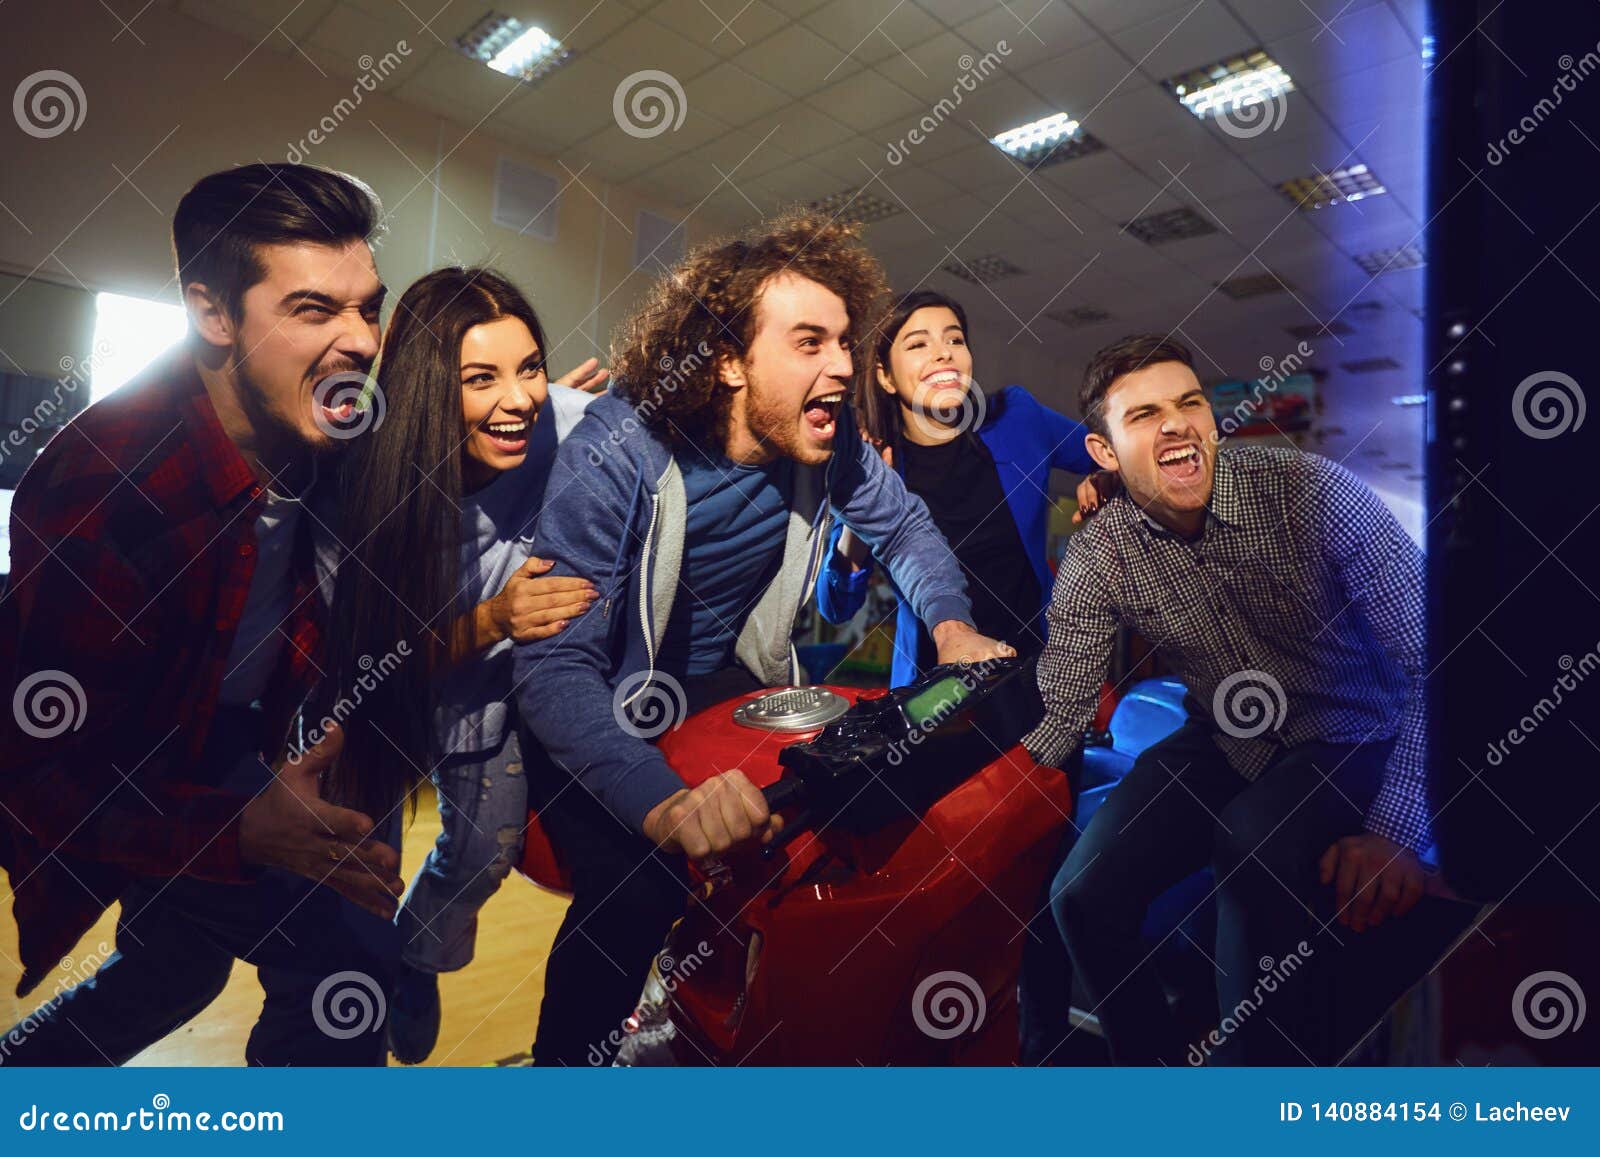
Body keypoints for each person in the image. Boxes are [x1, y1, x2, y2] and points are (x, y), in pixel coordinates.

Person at [515, 211, 1013, 1065]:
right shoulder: (621, 445)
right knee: (639, 885)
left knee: (824, 816)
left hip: (717, 681)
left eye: (847, 341)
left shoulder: (825, 439)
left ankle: (720, 1023)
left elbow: (906, 532)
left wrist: (955, 628)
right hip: (595, 696)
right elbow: (554, 665)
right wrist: (666, 804)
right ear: (728, 360)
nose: (845, 367)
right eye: (811, 341)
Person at [0, 163, 406, 1065]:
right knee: (340, 972)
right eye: (312, 310)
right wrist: (239, 830)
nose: (360, 341)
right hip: (138, 769)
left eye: (367, 307)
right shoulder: (103, 485)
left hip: (239, 742)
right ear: (214, 315)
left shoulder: (324, 430)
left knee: (176, 973)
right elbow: (38, 777)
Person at [1024, 333, 1436, 1065]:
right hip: (1228, 735)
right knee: (1081, 895)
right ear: (1105, 452)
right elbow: (1062, 710)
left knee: (1251, 840)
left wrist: (1398, 828)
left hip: (1351, 731)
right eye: (1145, 414)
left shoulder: (1312, 494)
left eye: (1189, 403)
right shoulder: (1102, 553)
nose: (1177, 423)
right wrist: (988, 805)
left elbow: (1445, 657)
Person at [315, 266, 600, 1064]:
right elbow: (362, 656)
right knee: (355, 895)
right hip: (375, 707)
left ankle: (421, 954)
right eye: (482, 378)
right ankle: (358, 1004)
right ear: (428, 387)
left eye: (530, 367)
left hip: (484, 701)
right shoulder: (360, 476)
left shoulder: (560, 420)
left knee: (483, 852)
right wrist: (493, 617)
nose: (519, 398)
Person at [814, 288, 1103, 686]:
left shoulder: (1017, 418)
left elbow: (1112, 454)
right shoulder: (873, 463)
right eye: (918, 344)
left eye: (955, 340)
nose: (944, 353)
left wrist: (1103, 476)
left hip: (1041, 669)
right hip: (933, 683)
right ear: (886, 376)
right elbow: (837, 606)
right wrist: (859, 511)